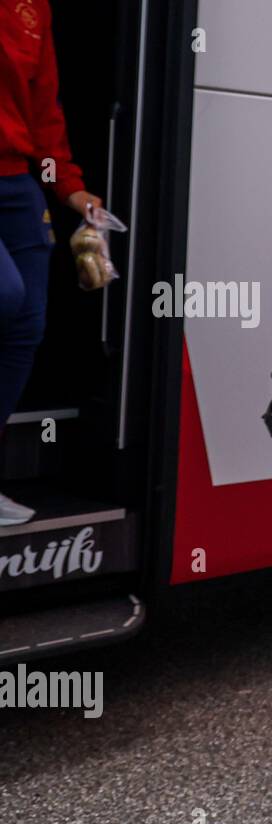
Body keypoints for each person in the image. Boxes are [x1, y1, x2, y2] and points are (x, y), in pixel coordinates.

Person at [1, 0, 102, 525]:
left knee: (27, 325)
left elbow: (43, 111)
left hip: (16, 179)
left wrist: (72, 189)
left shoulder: (32, 7)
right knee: (5, 295)